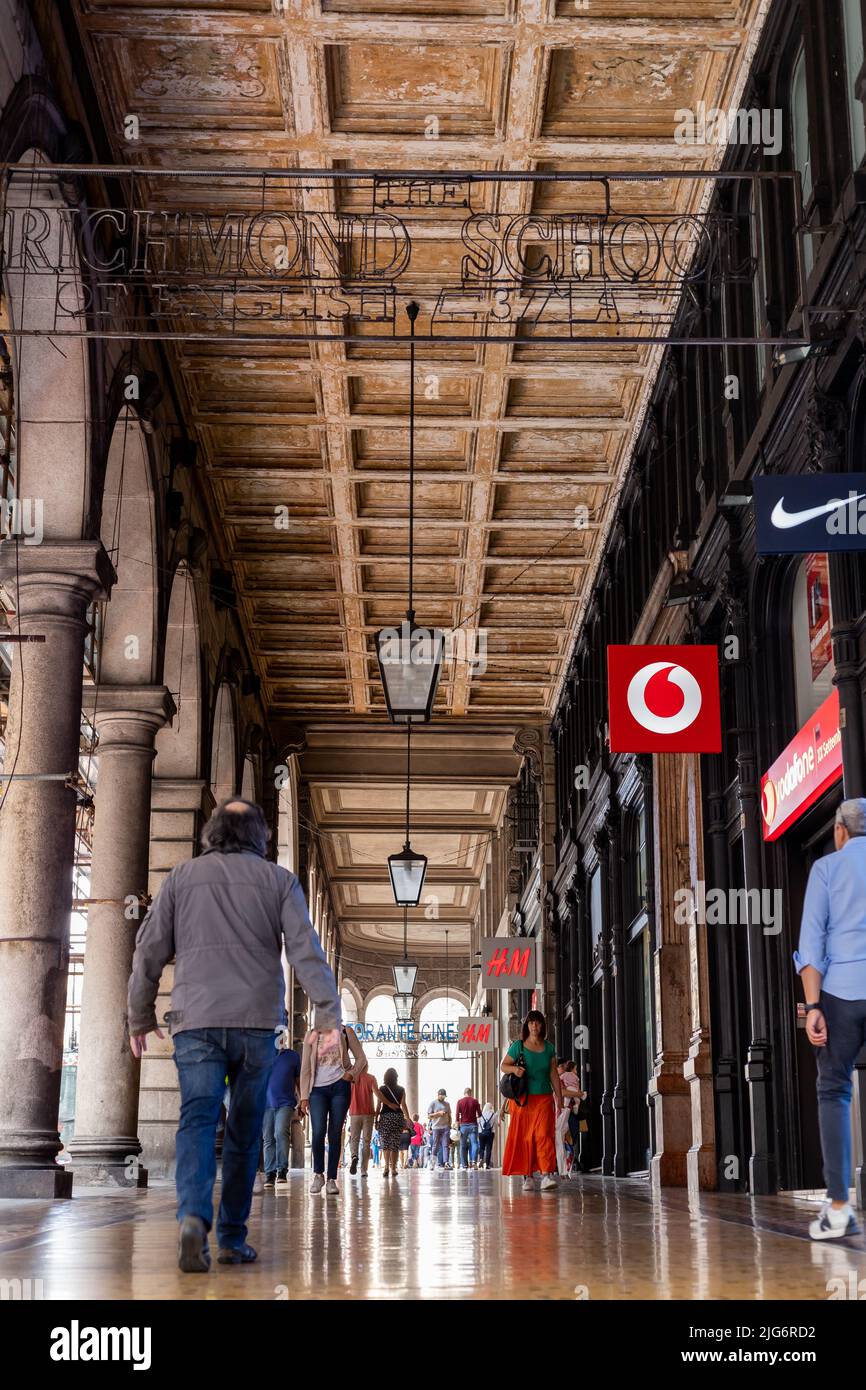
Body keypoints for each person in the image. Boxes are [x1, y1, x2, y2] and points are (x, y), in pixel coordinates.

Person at [127, 798, 341, 1273]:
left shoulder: (181, 878)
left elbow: (148, 950)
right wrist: (329, 1017)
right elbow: (306, 952)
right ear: (260, 836)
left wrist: (139, 1015)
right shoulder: (279, 882)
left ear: (212, 833)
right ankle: (230, 1238)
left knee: (197, 1121)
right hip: (255, 1025)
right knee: (246, 1131)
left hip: (196, 1021)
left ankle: (192, 1219)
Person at [795, 797, 866, 1240]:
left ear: (840, 831)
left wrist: (814, 1006)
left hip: (840, 993)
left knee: (834, 1091)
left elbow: (811, 940)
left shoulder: (826, 869)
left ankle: (839, 1207)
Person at [299, 1023, 367, 1195]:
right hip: (317, 1090)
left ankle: (331, 1179)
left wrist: (350, 1075)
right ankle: (318, 1174)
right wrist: (304, 1097)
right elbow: (306, 1067)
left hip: (340, 1088)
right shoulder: (311, 1034)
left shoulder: (346, 1031)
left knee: (335, 1133)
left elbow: (361, 1058)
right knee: (318, 1131)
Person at [500, 1009, 563, 1192]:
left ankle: (546, 1174)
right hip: (523, 1100)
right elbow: (504, 1066)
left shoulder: (549, 1048)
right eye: (531, 1022)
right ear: (527, 1026)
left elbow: (553, 1073)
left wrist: (559, 1097)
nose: (534, 1025)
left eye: (537, 1022)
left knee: (544, 1135)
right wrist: (514, 1070)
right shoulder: (518, 1046)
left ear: (542, 1025)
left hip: (543, 1098)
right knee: (526, 1138)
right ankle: (527, 1176)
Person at [262, 1033, 301, 1188]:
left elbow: (298, 1081)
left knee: (280, 1132)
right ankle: (269, 1173)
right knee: (268, 1138)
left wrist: (303, 1101)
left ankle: (281, 1170)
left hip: (286, 1103)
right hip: (265, 1104)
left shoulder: (292, 1056)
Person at [375, 1067, 412, 1178]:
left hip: (385, 1117)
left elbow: (378, 1105)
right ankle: (394, 1169)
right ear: (396, 1077)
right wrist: (408, 1118)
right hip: (397, 1117)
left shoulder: (381, 1089)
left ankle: (386, 1167)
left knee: (385, 1144)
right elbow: (403, 1105)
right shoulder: (401, 1089)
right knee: (395, 1144)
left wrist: (375, 1119)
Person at [348, 1066, 382, 1178]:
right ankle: (364, 1170)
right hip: (368, 1113)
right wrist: (378, 1111)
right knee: (367, 1142)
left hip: (354, 1113)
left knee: (354, 1139)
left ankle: (354, 1156)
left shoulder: (351, 1078)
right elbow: (378, 1095)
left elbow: (346, 1096)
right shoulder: (371, 1078)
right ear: (366, 1067)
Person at [555, 1058, 585, 1179]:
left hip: (564, 1111)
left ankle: (564, 1170)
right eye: (561, 1066)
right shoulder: (558, 1079)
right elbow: (563, 1093)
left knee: (562, 1140)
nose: (563, 1068)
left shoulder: (561, 1078)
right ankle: (562, 1171)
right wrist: (579, 1094)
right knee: (559, 1139)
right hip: (561, 1112)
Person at [456, 1087, 482, 1169]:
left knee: (463, 1145)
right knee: (474, 1144)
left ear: (464, 1093)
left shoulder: (460, 1102)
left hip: (463, 1126)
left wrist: (458, 1123)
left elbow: (457, 1115)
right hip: (473, 1125)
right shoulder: (475, 1101)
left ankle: (464, 1165)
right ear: (470, 1093)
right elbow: (480, 1114)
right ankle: (474, 1161)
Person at [427, 1089, 452, 1170]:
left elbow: (449, 1115)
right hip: (436, 1127)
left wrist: (449, 1125)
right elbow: (428, 1116)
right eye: (442, 1096)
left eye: (444, 1096)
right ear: (438, 1095)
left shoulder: (447, 1104)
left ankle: (446, 1163)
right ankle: (432, 1163)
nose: (443, 1097)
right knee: (435, 1146)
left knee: (446, 1145)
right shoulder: (433, 1103)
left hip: (445, 1127)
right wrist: (438, 1114)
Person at [477, 1101, 498, 1169]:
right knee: (489, 1148)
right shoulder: (493, 1115)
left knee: (482, 1148)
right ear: (491, 1107)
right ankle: (487, 1165)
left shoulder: (480, 1115)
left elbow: (477, 1123)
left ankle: (481, 1159)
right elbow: (497, 1123)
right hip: (490, 1133)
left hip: (481, 1133)